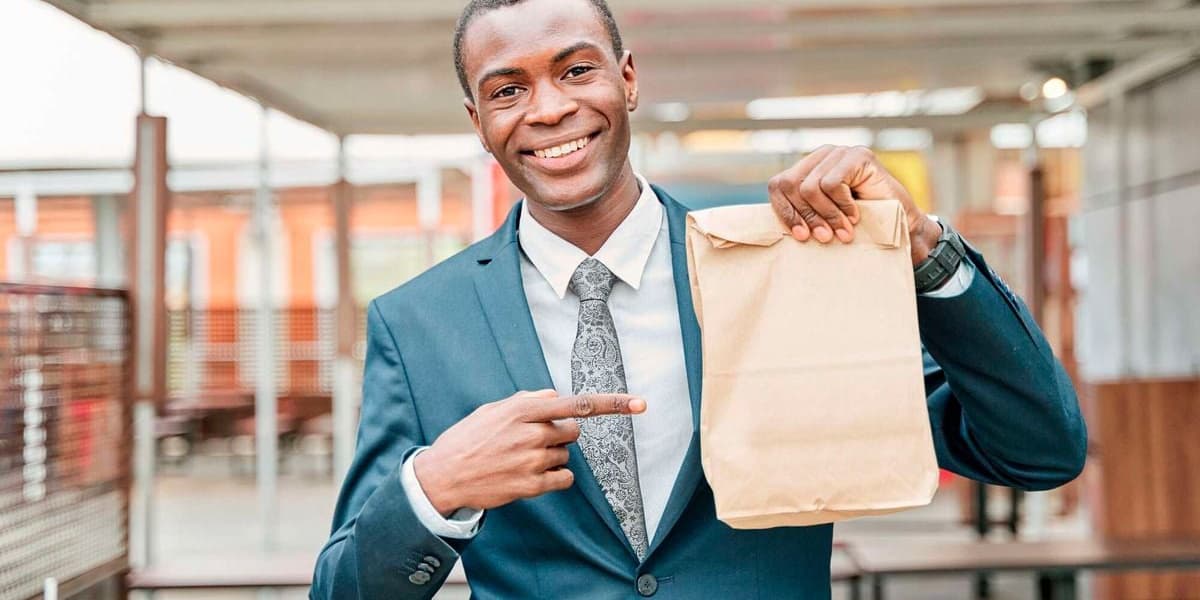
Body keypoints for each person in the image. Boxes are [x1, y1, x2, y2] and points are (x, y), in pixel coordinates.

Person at [311, 1, 1087, 598]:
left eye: (575, 71)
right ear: (479, 124)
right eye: (509, 89)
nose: (547, 109)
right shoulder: (416, 325)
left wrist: (924, 251)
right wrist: (433, 488)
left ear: (628, 79)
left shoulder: (786, 267)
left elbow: (1038, 449)